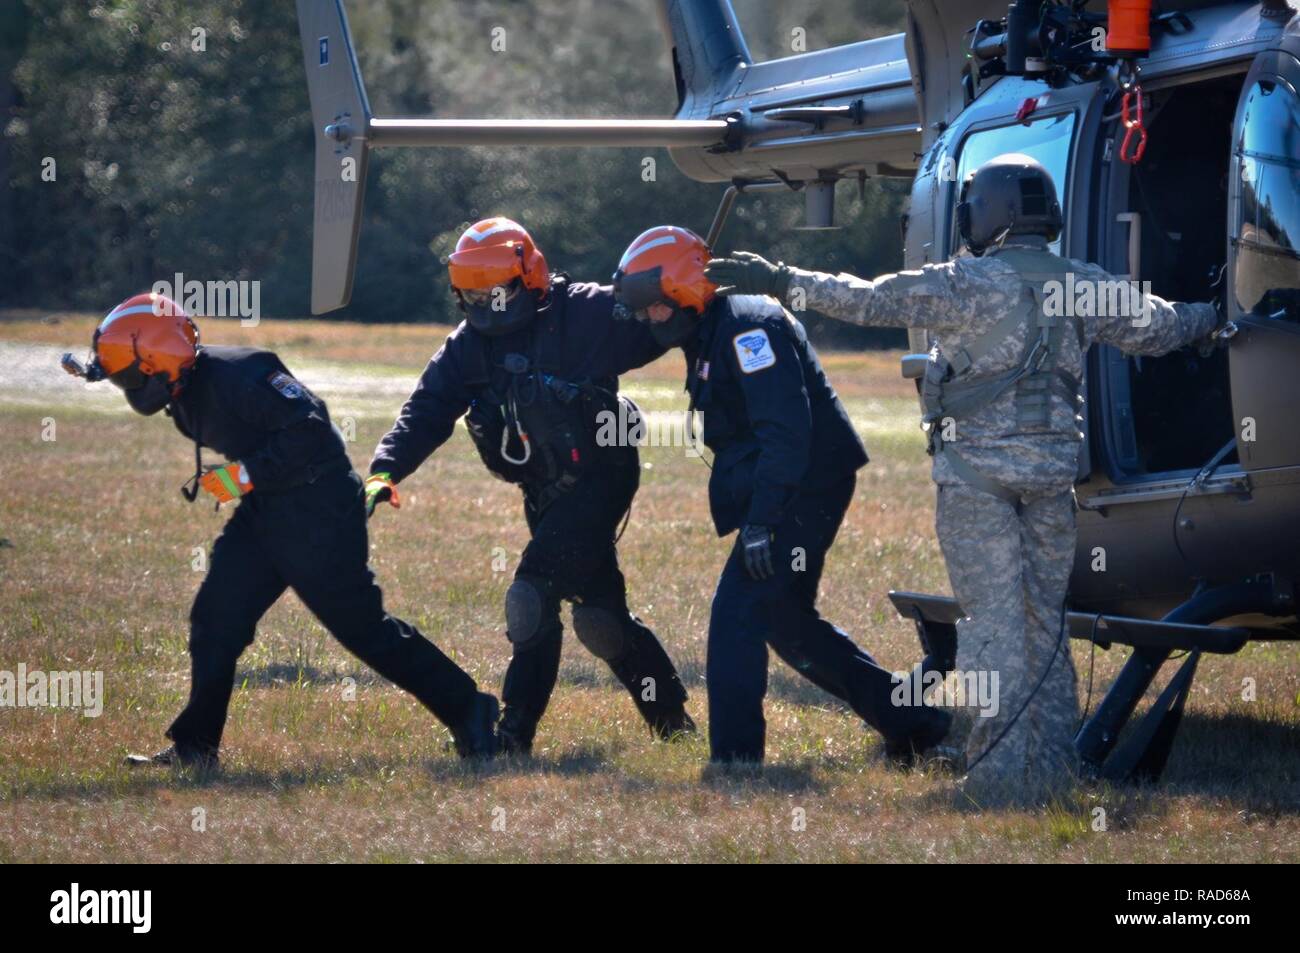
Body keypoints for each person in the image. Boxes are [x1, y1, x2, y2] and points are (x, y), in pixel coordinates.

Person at [704, 153, 1222, 803]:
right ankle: (1052, 768)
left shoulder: (964, 284)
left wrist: (780, 279)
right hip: (1051, 487)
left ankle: (1001, 779)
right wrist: (1216, 320)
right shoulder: (1081, 283)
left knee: (992, 628)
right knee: (1044, 626)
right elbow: (1161, 326)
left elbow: (867, 300)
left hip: (978, 485)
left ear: (993, 214)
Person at [61, 293, 498, 770]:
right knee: (216, 619)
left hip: (320, 507)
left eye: (127, 374)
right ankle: (196, 747)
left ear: (158, 359)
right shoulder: (184, 390)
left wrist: (246, 473)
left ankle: (469, 708)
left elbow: (312, 429)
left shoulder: (242, 373)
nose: (125, 385)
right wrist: (250, 479)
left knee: (363, 629)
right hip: (269, 506)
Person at [611, 225, 951, 766]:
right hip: (788, 484)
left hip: (805, 485)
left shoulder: (750, 329)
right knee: (785, 621)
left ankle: (735, 761)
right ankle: (911, 722)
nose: (650, 319)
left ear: (683, 293)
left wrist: (763, 523)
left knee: (736, 615)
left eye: (654, 307)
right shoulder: (708, 326)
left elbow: (787, 433)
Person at [366, 217, 695, 755]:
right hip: (544, 489)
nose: (483, 303)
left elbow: (668, 317)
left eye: (493, 291)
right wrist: (385, 469)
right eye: (470, 293)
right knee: (599, 616)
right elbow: (426, 410)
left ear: (529, 275)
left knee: (531, 594)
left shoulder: (588, 312)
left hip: (601, 478)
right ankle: (672, 724)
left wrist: (704, 309)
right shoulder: (467, 346)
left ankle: (513, 735)